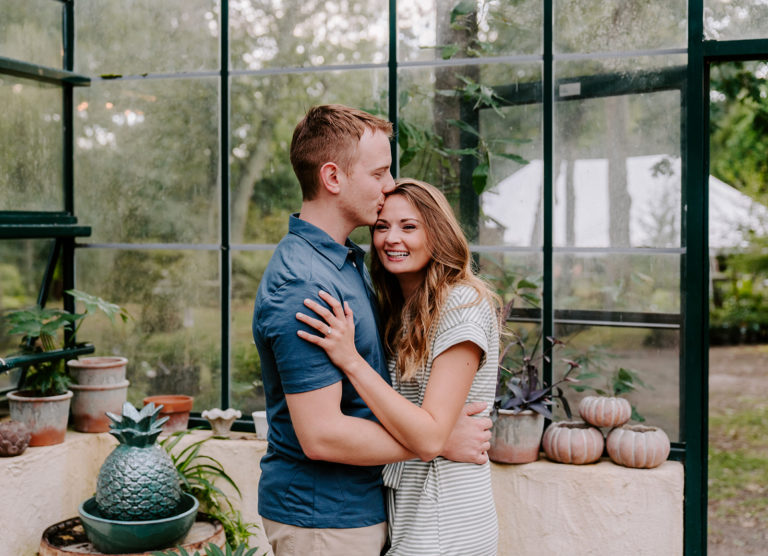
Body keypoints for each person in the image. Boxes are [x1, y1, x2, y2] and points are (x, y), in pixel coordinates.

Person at [252, 105, 492, 556]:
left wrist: (433, 436)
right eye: (379, 172)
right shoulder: (307, 283)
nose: (388, 186)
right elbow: (321, 434)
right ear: (333, 177)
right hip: (323, 518)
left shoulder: (346, 262)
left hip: (359, 510)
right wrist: (436, 442)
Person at [296, 177, 500, 555]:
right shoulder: (399, 310)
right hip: (411, 508)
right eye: (381, 227)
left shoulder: (462, 305)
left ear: (438, 234)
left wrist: (351, 360)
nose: (392, 238)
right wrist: (440, 439)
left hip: (445, 518)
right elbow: (429, 435)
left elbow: (427, 437)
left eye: (409, 227)